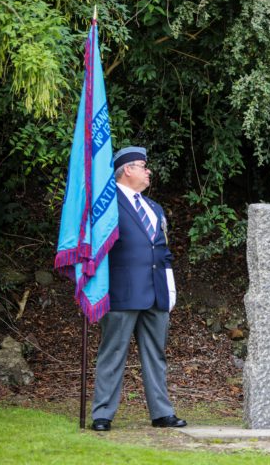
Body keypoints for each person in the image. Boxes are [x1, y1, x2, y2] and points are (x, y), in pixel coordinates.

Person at [91, 146, 186, 431]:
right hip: (122, 292)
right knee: (113, 352)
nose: (148, 171)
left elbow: (162, 251)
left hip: (156, 293)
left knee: (156, 354)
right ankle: (103, 414)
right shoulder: (107, 204)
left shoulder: (153, 207)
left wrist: (169, 288)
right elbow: (97, 247)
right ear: (127, 170)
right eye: (143, 166)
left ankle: (161, 413)